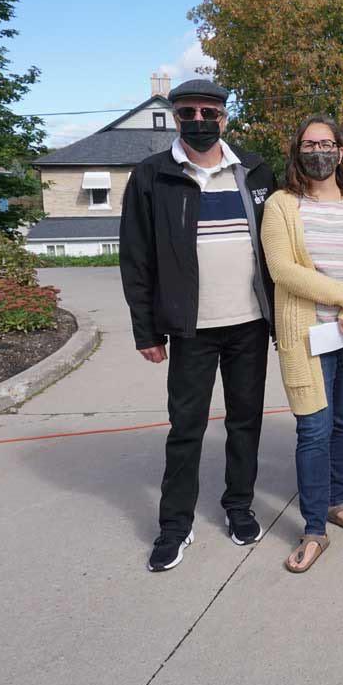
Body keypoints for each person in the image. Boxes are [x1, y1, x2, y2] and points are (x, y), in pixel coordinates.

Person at [120, 79, 275, 572]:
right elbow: (136, 257)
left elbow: (280, 243)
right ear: (176, 118)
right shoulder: (153, 175)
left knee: (244, 422)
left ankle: (238, 507)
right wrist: (146, 330)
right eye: (188, 113)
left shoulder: (253, 170)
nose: (200, 121)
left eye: (209, 112)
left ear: (225, 118)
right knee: (185, 429)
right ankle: (174, 527)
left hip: (249, 323)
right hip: (192, 330)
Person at [261, 115, 343, 573]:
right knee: (313, 431)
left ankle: (337, 501)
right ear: (297, 152)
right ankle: (314, 526)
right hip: (309, 336)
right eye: (309, 144)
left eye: (327, 143)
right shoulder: (282, 205)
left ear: (341, 151)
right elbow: (283, 269)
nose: (318, 151)